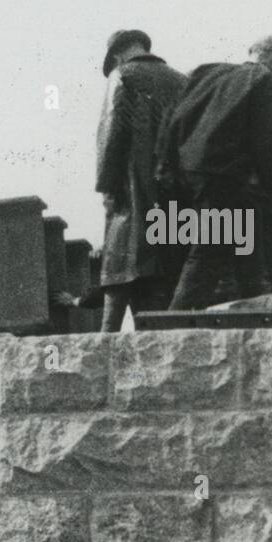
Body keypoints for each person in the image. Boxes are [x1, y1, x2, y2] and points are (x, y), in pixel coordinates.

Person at [158, 36, 272, 311]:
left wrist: (168, 165)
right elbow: (268, 142)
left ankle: (256, 312)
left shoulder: (206, 73)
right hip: (226, 175)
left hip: (190, 173)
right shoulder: (265, 79)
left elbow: (171, 120)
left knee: (246, 250)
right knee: (209, 250)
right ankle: (172, 324)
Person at [94, 30, 188, 330]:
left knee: (119, 273)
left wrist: (107, 187)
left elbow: (111, 134)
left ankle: (105, 345)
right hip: (175, 202)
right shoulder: (181, 80)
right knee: (160, 289)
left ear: (117, 55)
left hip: (133, 194)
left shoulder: (122, 75)